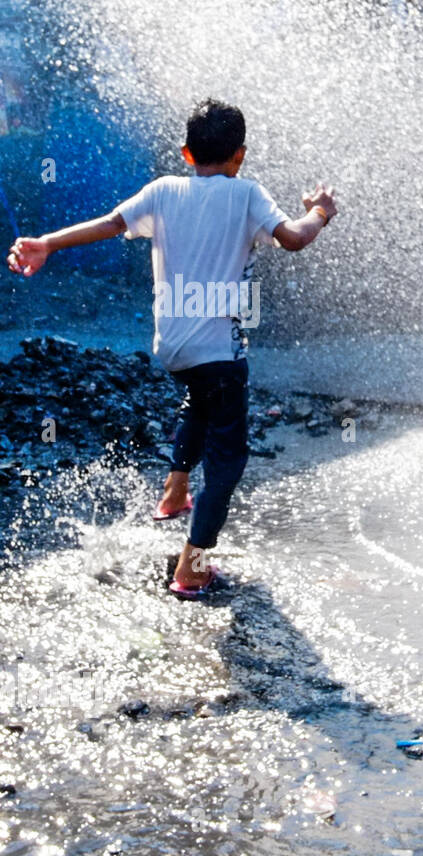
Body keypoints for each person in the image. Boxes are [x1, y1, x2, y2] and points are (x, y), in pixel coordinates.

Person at [7, 98, 337, 597]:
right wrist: (319, 211)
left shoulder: (162, 191)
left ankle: (173, 492)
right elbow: (292, 238)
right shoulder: (247, 194)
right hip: (220, 354)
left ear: (186, 153)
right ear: (239, 156)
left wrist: (47, 242)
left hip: (173, 349)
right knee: (226, 466)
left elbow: (110, 223)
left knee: (198, 400)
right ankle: (192, 567)